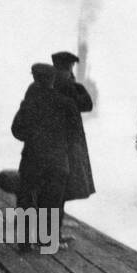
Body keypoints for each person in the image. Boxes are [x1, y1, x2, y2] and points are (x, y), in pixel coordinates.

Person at [11, 64, 73, 249]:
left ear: (34, 78)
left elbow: (16, 130)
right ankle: (48, 240)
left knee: (26, 198)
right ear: (52, 79)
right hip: (57, 160)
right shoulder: (64, 102)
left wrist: (33, 137)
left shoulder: (28, 103)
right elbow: (73, 133)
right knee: (53, 200)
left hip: (32, 158)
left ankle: (24, 241)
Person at [50, 50, 96, 209]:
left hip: (48, 145)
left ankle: (46, 231)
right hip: (67, 146)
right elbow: (87, 105)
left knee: (50, 191)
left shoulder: (46, 84)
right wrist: (77, 85)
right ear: (69, 67)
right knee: (61, 191)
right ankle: (54, 232)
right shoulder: (70, 87)